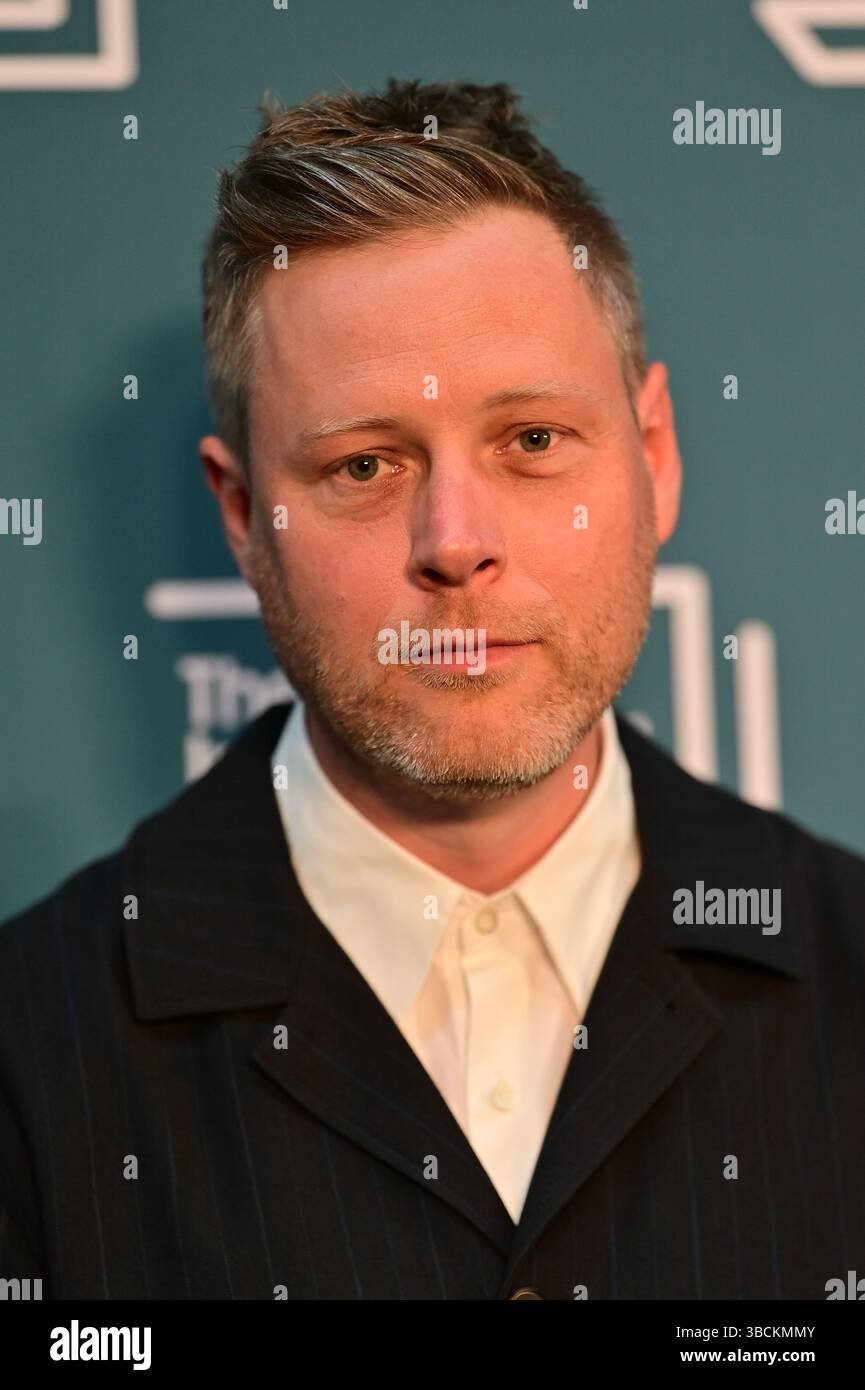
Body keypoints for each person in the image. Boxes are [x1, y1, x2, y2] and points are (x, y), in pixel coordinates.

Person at [1, 79, 863, 1302]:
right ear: (244, 517)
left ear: (655, 456)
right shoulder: (32, 1060)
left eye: (530, 441)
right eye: (362, 463)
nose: (454, 541)